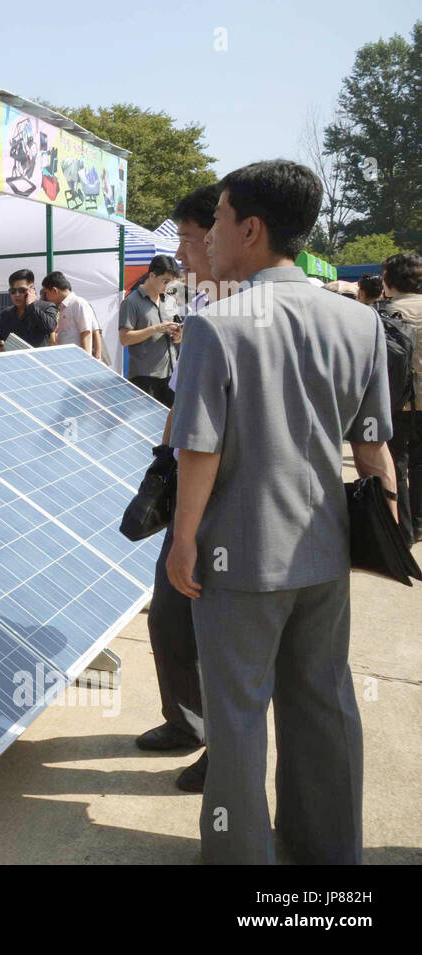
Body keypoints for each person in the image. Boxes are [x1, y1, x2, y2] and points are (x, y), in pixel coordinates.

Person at [167, 160, 397, 865]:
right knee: (324, 705)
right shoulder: (358, 320)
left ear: (253, 228)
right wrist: (388, 529)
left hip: (238, 557)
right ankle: (330, 851)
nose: (210, 237)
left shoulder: (218, 326)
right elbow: (373, 448)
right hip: (324, 551)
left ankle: (244, 858)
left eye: (221, 220)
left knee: (238, 716)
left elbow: (199, 450)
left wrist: (182, 541)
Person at [136, 182, 222, 795]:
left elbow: (206, 438)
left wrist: (186, 533)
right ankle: (186, 721)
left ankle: (226, 753)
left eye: (191, 240)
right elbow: (185, 416)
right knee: (169, 621)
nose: (183, 255)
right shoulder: (202, 311)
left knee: (224, 638)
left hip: (227, 508)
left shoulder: (236, 319)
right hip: (192, 495)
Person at [381, 252, 422, 543]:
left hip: (397, 402)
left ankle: (403, 531)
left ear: (390, 278)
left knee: (398, 465)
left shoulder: (384, 313)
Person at [118, 254, 184, 406]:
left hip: (171, 375)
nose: (168, 286)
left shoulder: (170, 300)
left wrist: (178, 335)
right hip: (145, 377)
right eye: (165, 281)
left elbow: (177, 337)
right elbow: (125, 338)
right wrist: (155, 329)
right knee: (147, 425)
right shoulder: (131, 302)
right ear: (152, 275)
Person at [0, 269, 58, 349]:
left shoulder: (47, 307)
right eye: (13, 291)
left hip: (38, 359)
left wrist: (31, 305)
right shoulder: (6, 313)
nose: (17, 294)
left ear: (32, 290)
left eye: (22, 290)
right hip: (14, 359)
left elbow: (50, 327)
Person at [40, 271, 100, 357]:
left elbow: (85, 332)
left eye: (46, 293)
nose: (46, 296)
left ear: (54, 290)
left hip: (77, 361)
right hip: (65, 359)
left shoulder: (78, 303)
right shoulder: (60, 307)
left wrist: (85, 360)